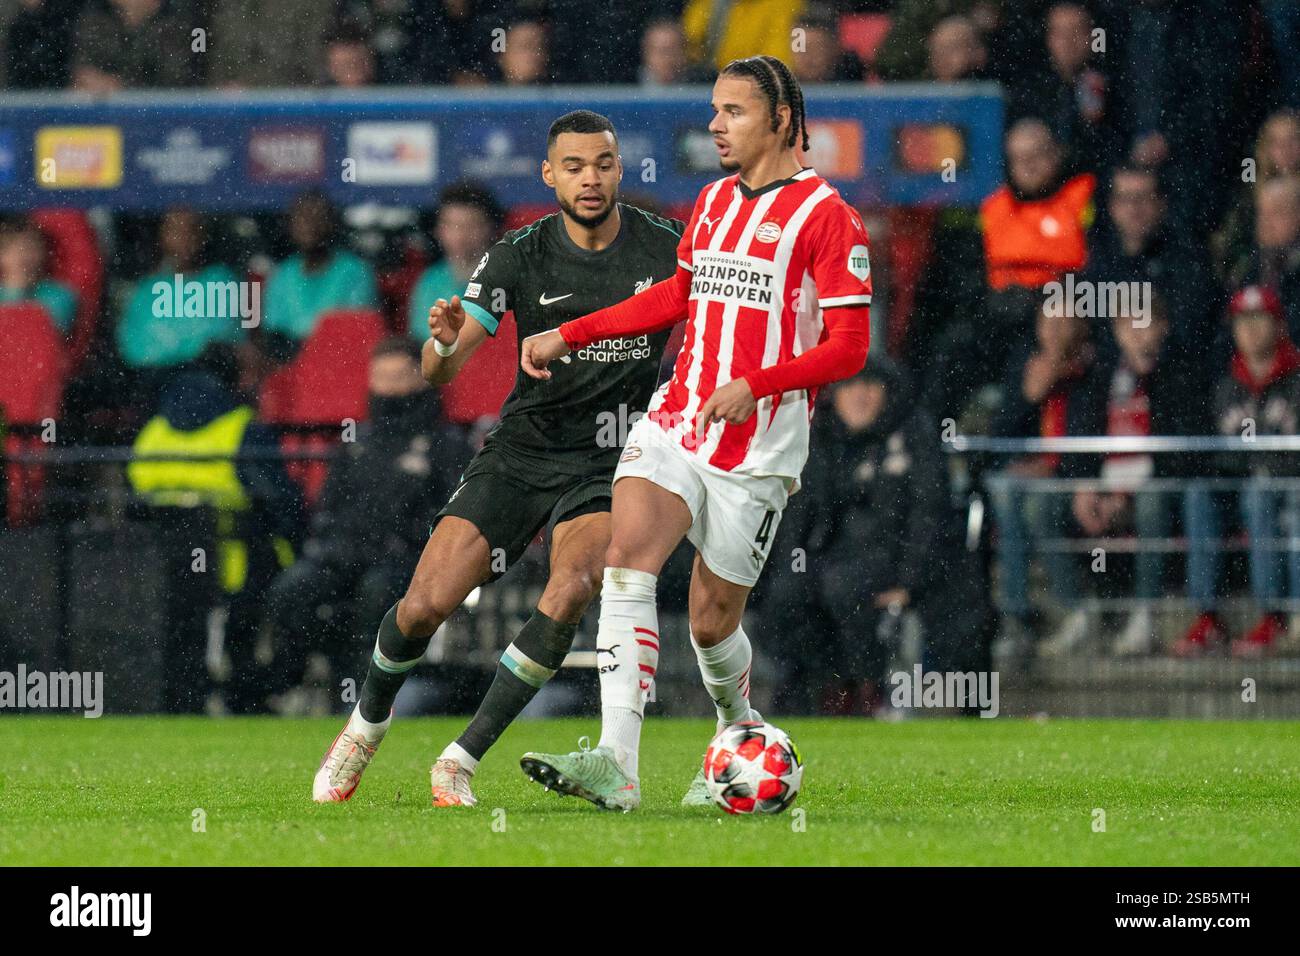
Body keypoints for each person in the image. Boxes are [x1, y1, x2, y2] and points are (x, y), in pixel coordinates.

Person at [517, 56, 872, 810]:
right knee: (626, 559)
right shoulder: (711, 201)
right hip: (678, 418)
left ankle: (739, 726)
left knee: (712, 624)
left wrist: (759, 385)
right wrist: (569, 333)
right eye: (714, 110)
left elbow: (850, 346)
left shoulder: (827, 216)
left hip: (760, 447)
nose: (715, 124)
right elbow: (677, 296)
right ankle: (617, 763)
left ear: (781, 119)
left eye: (734, 111)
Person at [312, 111, 686, 807]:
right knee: (424, 607)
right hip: (522, 452)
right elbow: (437, 371)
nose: (589, 178)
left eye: (602, 164)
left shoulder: (666, 249)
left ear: (619, 170)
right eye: (573, 166)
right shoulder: (519, 253)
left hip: (610, 459)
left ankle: (461, 757)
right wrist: (447, 340)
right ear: (550, 176)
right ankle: (364, 726)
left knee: (573, 587)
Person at [255, 338, 467, 713]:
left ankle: (364, 702)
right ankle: (283, 690)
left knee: (377, 594)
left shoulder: (444, 443)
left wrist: (408, 546)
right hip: (343, 557)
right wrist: (329, 545)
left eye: (397, 377)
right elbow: (327, 506)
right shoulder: (356, 441)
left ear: (420, 380)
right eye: (379, 378)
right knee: (290, 591)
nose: (387, 389)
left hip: (407, 562)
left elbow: (453, 515)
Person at [1068, 295, 1208, 656]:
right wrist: (1085, 487)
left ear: (1163, 327)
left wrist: (1125, 496)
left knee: (1150, 505)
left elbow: (1183, 455)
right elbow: (1079, 439)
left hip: (1156, 494)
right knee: (1042, 507)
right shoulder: (1098, 378)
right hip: (1105, 490)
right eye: (1130, 325)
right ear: (1116, 331)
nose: (1139, 335)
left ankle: (1144, 615)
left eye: (1146, 324)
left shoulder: (1181, 375)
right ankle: (1077, 612)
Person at [1178, 286, 1300, 658]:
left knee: (1260, 495)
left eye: (1258, 319)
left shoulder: (1296, 380)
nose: (1249, 329)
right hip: (1244, 487)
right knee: (1200, 494)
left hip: (1289, 489)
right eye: (1242, 321)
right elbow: (1219, 456)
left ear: (1279, 325)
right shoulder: (1227, 385)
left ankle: (1274, 615)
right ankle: (1207, 616)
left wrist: (1263, 470)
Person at [261, 190, 378, 343]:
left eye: (318, 217)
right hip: (290, 358)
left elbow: (358, 330)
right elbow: (273, 332)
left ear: (332, 224)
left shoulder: (355, 271)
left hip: (337, 355)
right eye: (302, 218)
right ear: (291, 226)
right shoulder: (282, 275)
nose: (310, 225)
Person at [0, 218, 77, 333]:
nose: (22, 256)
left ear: (42, 251)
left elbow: (45, 336)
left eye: (29, 247)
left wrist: (19, 290)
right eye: (11, 248)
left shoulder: (60, 295)